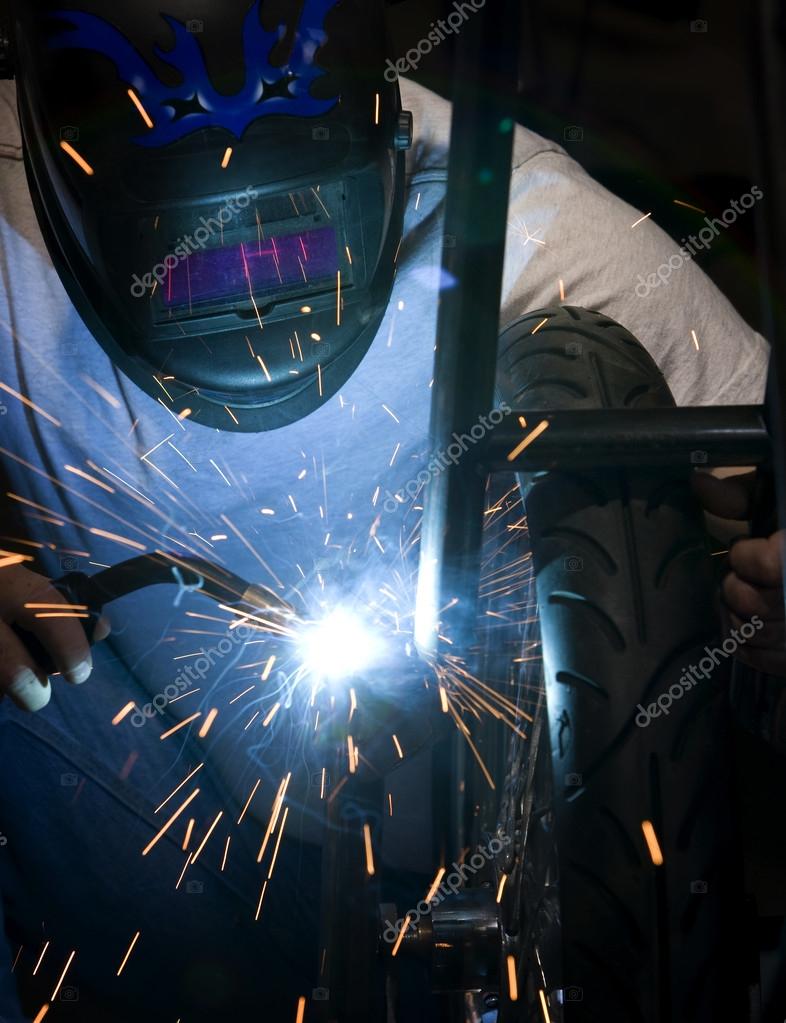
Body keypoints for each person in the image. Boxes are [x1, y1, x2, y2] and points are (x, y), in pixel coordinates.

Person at [0, 1, 782, 1019]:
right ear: (65, 203)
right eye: (196, 259)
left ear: (390, 154)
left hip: (512, 913)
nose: (254, 302)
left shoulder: (543, 241)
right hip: (172, 854)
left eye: (289, 243)